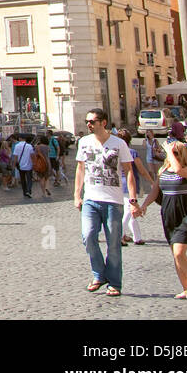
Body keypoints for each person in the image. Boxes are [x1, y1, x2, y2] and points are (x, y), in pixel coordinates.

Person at [74, 109, 137, 297]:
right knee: (88, 236)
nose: (89, 124)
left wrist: (133, 200)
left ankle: (115, 283)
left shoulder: (119, 144)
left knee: (114, 244)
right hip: (91, 200)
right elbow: (80, 169)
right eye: (87, 121)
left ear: (104, 122)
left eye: (93, 121)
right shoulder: (84, 142)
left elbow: (129, 171)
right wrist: (77, 195)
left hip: (113, 201)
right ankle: (99, 274)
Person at [135, 139, 187, 299]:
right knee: (175, 254)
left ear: (182, 155)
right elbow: (155, 192)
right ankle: (185, 289)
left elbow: (177, 169)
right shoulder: (163, 172)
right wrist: (144, 205)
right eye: (172, 153)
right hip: (168, 215)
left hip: (185, 215)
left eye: (176, 153)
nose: (172, 156)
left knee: (179, 253)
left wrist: (169, 151)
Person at [11, 133, 35, 198]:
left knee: (23, 179)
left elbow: (15, 157)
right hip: (29, 165)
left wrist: (13, 165)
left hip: (20, 165)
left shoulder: (17, 146)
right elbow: (32, 155)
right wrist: (34, 163)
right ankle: (29, 191)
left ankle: (24, 192)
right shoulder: (29, 146)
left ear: (20, 138)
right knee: (29, 179)